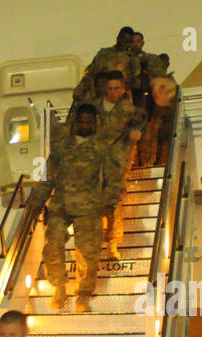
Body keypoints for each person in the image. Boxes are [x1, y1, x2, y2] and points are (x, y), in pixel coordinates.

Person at [28, 104, 121, 313]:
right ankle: (59, 286)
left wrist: (110, 202)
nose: (85, 126)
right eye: (82, 122)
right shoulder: (61, 146)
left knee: (88, 253)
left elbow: (113, 179)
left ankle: (83, 295)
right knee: (52, 246)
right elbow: (47, 176)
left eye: (89, 122)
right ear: (76, 122)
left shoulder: (103, 147)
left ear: (95, 123)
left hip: (89, 206)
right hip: (61, 205)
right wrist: (36, 203)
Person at [84, 71, 146, 256]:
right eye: (109, 88)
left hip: (118, 164)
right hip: (95, 163)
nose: (112, 92)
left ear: (123, 89)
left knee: (114, 203)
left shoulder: (129, 110)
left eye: (116, 88)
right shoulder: (93, 108)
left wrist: (135, 134)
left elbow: (139, 125)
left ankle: (112, 241)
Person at [73, 27, 138, 103]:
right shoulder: (103, 54)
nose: (125, 44)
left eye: (128, 42)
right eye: (123, 40)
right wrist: (80, 90)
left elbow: (136, 82)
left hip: (120, 100)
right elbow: (90, 74)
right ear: (118, 38)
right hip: (98, 98)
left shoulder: (132, 59)